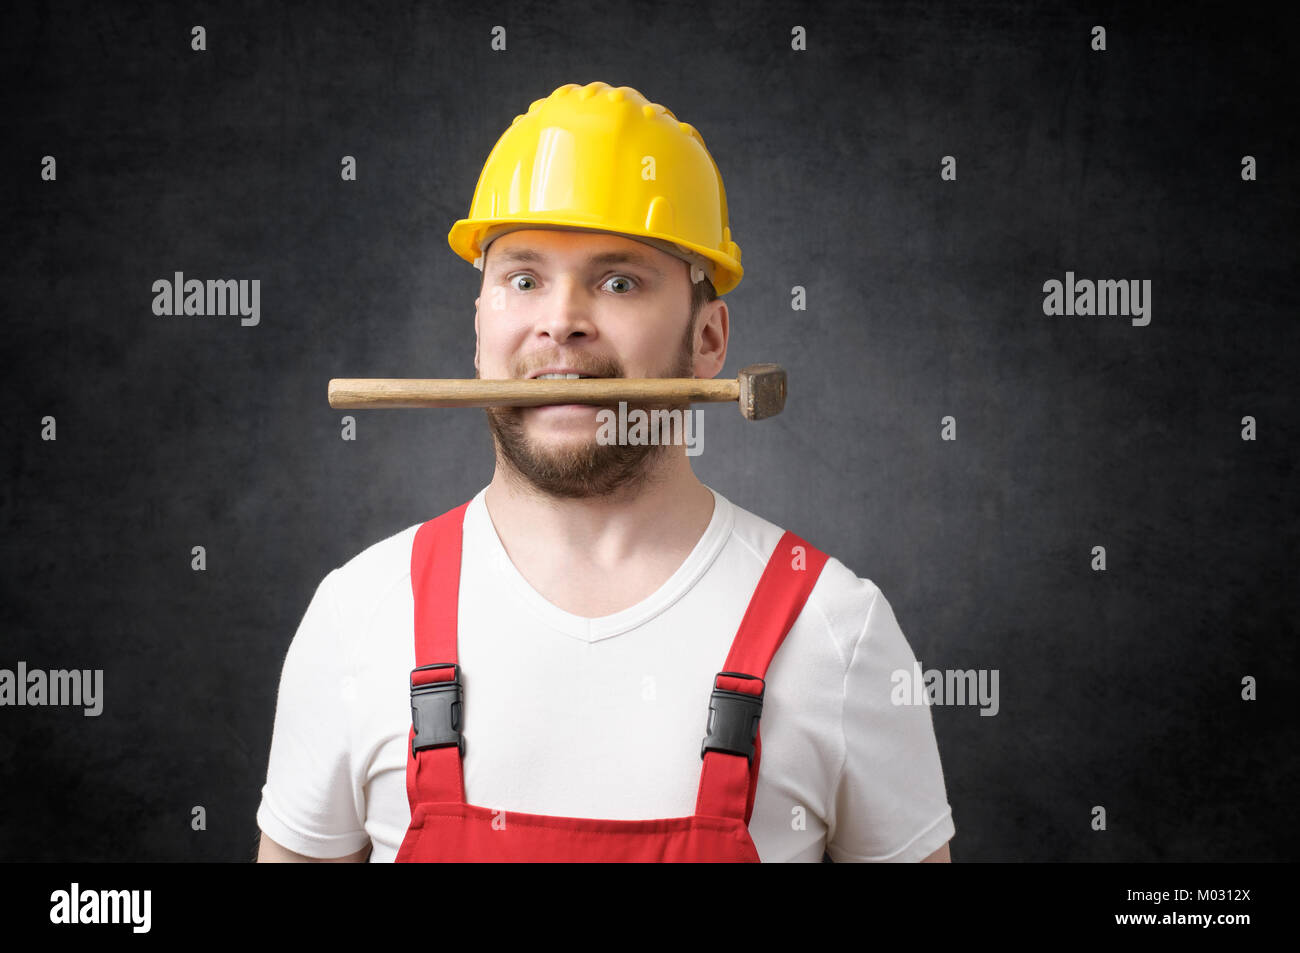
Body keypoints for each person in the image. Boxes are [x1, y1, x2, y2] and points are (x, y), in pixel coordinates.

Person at [255, 81, 955, 862]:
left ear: (711, 339)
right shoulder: (358, 617)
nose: (561, 320)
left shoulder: (836, 631)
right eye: (523, 279)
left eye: (618, 280)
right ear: (480, 328)